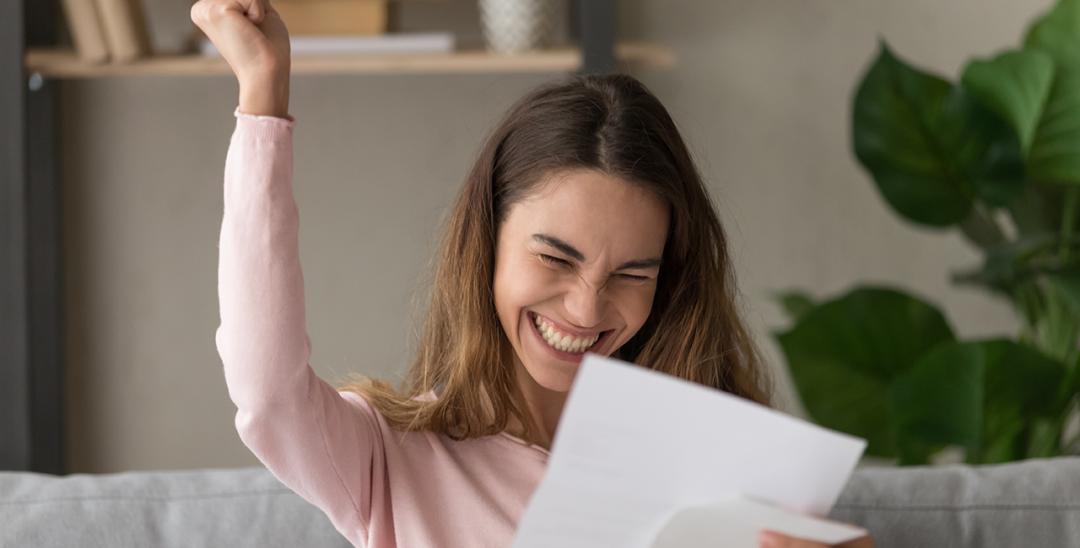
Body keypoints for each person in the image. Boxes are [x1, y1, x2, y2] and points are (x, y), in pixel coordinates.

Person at [192, 1, 875, 547]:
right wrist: (263, 97)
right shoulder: (389, 460)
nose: (586, 307)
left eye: (632, 274)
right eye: (556, 257)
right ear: (487, 241)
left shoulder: (722, 464)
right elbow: (267, 391)